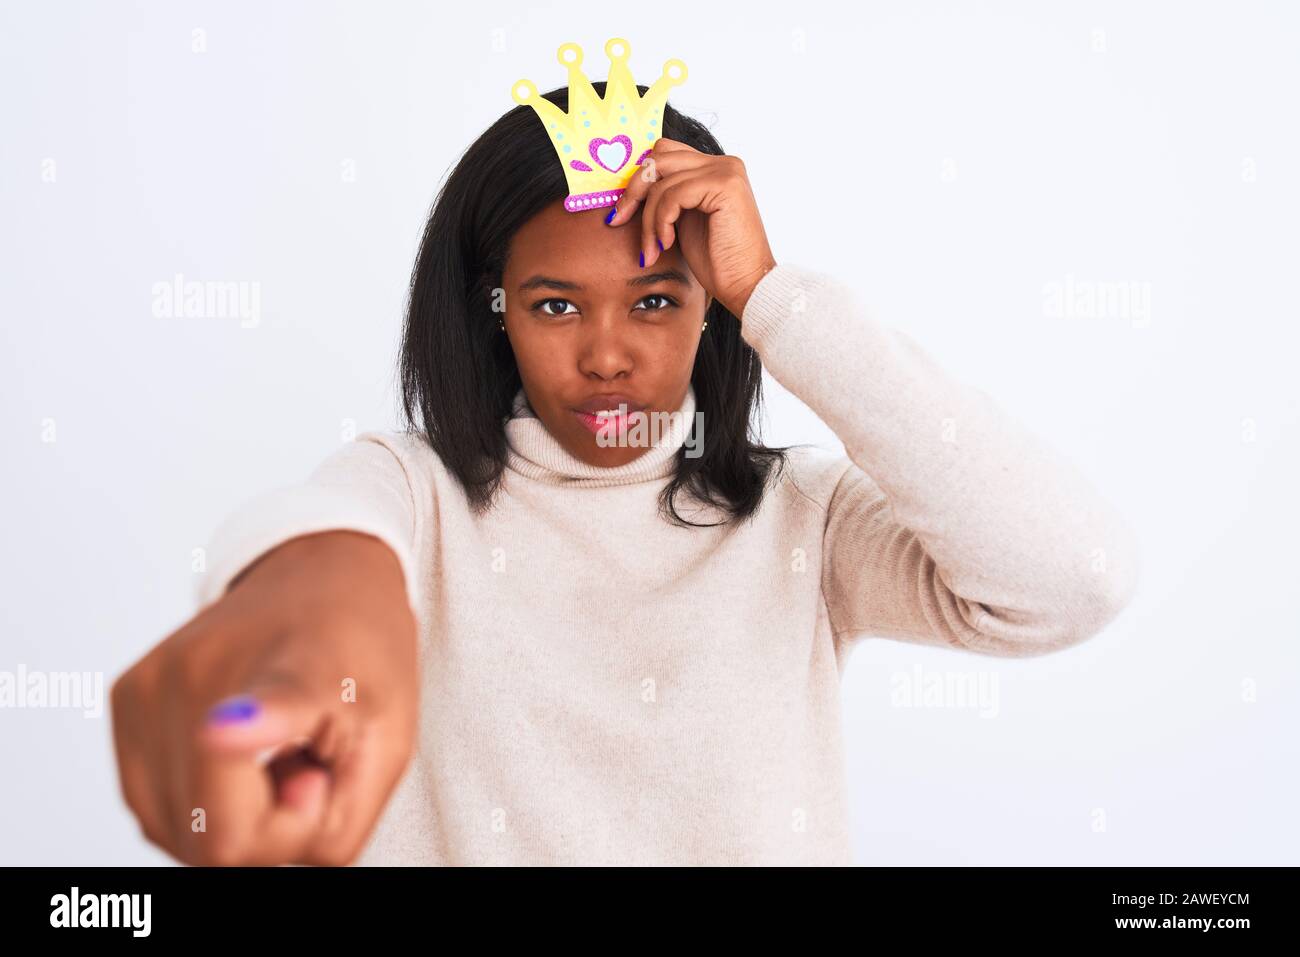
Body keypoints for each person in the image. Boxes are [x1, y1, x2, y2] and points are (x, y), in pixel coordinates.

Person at [110, 81, 1140, 867]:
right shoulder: (412, 495)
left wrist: (773, 294)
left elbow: (1072, 575)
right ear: (494, 311)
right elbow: (329, 542)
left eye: (656, 301)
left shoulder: (806, 520)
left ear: (711, 311)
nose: (606, 355)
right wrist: (309, 619)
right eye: (556, 305)